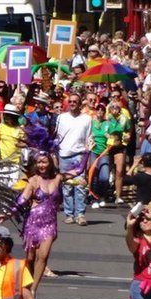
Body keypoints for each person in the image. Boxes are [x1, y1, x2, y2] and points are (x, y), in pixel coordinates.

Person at [4, 153, 62, 293]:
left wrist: (87, 153)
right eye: (39, 163)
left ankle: (33, 290)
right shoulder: (33, 180)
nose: (42, 165)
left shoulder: (58, 178)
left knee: (43, 255)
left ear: (50, 163)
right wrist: (9, 213)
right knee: (30, 258)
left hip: (49, 223)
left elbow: (77, 171)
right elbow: (23, 199)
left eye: (44, 162)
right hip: (32, 223)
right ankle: (26, 284)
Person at [55, 93, 92, 225]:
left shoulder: (87, 119)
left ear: (80, 103)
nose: (72, 103)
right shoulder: (61, 117)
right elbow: (57, 138)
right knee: (67, 187)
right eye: (70, 101)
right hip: (64, 155)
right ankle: (69, 214)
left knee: (80, 186)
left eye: (75, 101)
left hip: (79, 155)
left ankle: (80, 214)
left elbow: (89, 139)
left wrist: (87, 159)